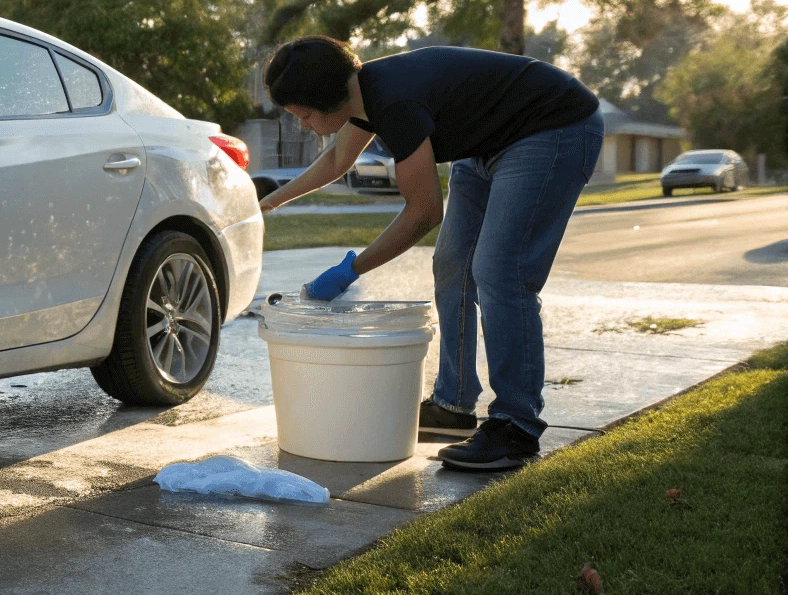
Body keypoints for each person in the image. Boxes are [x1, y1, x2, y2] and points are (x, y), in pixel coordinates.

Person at [256, 37, 602, 471]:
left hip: (551, 128)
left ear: (329, 101)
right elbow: (337, 160)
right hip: (486, 143)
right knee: (453, 265)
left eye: (303, 115)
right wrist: (269, 201)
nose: (302, 125)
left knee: (499, 271)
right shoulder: (362, 91)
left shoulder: (396, 103)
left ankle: (516, 426)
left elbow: (422, 212)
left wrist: (350, 270)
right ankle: (453, 406)